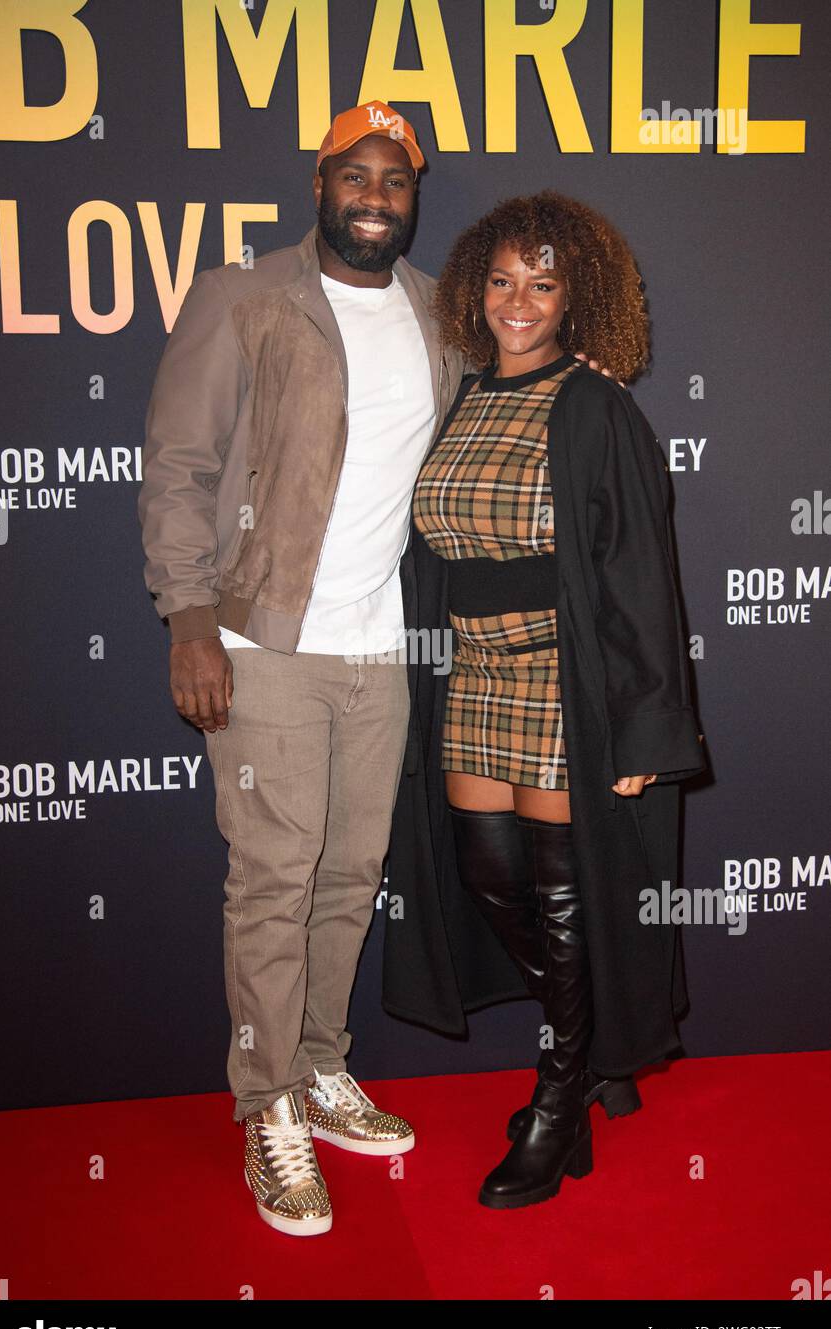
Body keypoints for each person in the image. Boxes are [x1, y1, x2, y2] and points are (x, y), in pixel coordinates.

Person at [137, 101, 468, 1236]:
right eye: (356, 175)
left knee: (345, 873)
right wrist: (186, 616)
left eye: (396, 178)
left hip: (377, 648)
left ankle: (320, 1069)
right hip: (260, 643)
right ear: (321, 183)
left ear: (412, 197)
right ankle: (265, 1105)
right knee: (273, 883)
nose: (375, 194)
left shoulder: (438, 313)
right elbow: (178, 463)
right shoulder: (245, 298)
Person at [385, 190, 707, 1209]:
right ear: (475, 287)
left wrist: (642, 718)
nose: (516, 302)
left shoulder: (594, 404)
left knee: (565, 901)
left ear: (574, 299)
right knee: (489, 879)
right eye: (499, 280)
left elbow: (636, 569)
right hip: (473, 678)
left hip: (563, 687)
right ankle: (596, 1043)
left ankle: (558, 1097)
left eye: (541, 283)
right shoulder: (464, 397)